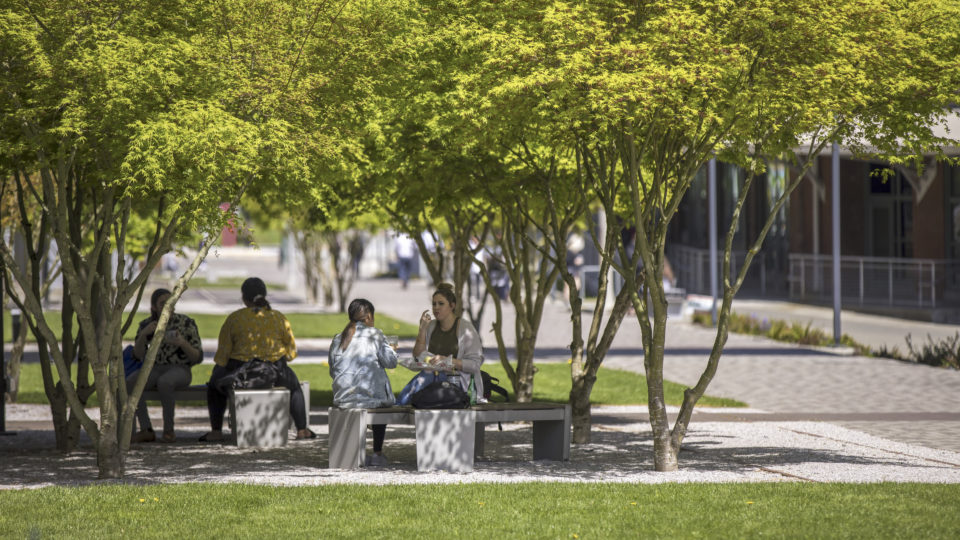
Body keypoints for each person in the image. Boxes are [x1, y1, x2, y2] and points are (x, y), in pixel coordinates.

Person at [200, 277, 314, 442]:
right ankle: (302, 429)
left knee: (214, 385)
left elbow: (222, 358)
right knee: (295, 387)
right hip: (275, 372)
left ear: (244, 298)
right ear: (265, 295)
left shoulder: (234, 318)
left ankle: (216, 431)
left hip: (241, 373)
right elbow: (291, 354)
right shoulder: (279, 318)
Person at [128, 288, 203, 443]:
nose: (168, 306)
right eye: (163, 303)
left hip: (180, 369)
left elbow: (197, 357)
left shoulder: (186, 323)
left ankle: (169, 431)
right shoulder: (147, 325)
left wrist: (182, 343)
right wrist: (143, 335)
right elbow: (136, 355)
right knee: (131, 383)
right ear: (154, 307)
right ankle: (146, 429)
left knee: (165, 382)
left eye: (171, 303)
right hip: (154, 368)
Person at [328, 299, 398, 466]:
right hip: (371, 400)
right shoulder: (375, 335)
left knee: (371, 394)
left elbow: (333, 371)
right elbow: (391, 362)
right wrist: (392, 351)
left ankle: (353, 453)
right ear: (368, 317)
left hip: (343, 399)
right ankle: (377, 453)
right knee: (380, 400)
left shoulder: (338, 339)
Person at [411, 283, 484, 402]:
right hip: (435, 382)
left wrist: (448, 361)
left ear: (452, 306)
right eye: (434, 304)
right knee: (426, 375)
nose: (436, 308)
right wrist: (422, 329)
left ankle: (401, 405)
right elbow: (418, 356)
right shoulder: (431, 326)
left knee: (425, 377)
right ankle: (404, 405)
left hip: (458, 384)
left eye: (441, 304)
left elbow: (475, 365)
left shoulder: (465, 329)